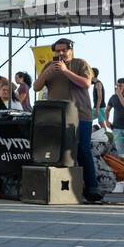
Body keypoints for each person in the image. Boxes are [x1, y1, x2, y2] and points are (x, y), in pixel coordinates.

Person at [33, 38, 102, 203]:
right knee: (59, 152)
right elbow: (36, 87)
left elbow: (86, 83)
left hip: (80, 115)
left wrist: (65, 71)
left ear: (71, 49)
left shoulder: (80, 64)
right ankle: (64, 188)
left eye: (64, 50)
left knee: (82, 151)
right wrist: (47, 73)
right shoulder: (49, 66)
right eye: (57, 51)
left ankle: (91, 188)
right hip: (56, 117)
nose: (61, 53)